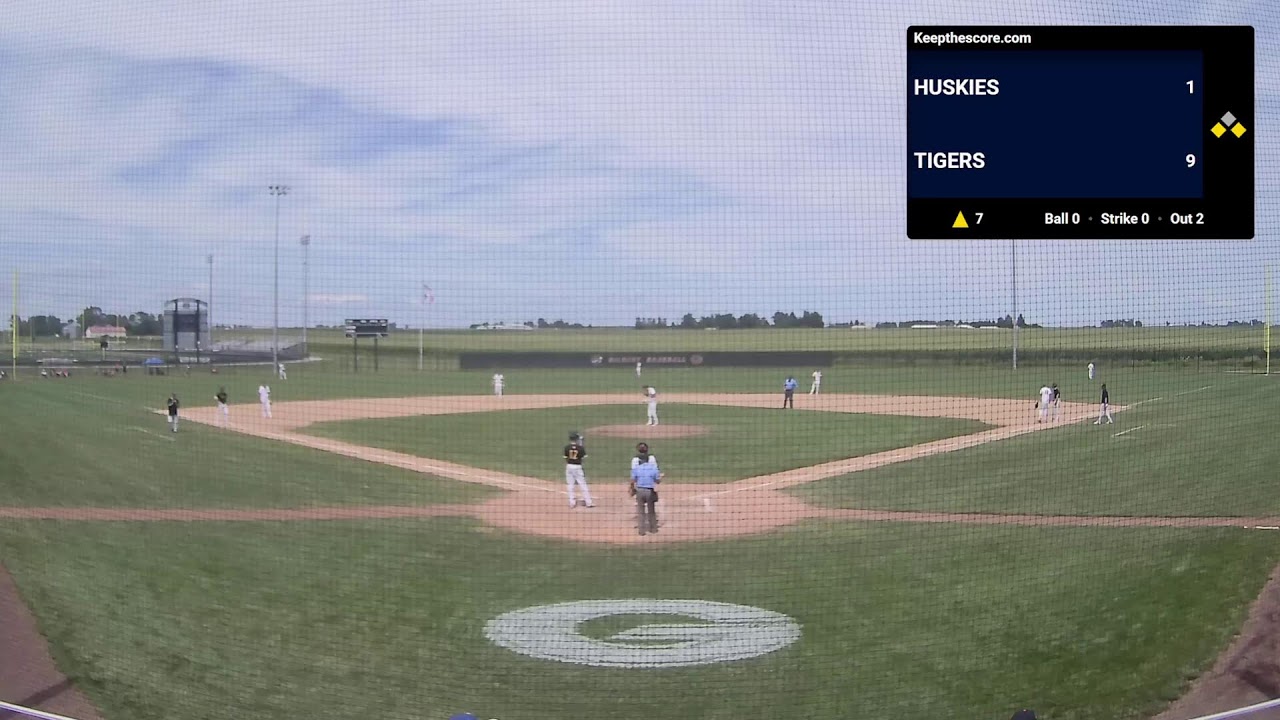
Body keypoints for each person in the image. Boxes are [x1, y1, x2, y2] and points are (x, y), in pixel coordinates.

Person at [631, 452, 662, 536]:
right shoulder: (653, 468)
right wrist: (661, 477)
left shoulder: (636, 469)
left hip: (640, 491)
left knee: (641, 511)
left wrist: (632, 490)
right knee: (651, 511)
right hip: (649, 491)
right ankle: (653, 529)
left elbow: (633, 480)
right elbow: (657, 481)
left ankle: (641, 531)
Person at [564, 431, 594, 509]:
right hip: (577, 467)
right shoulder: (581, 448)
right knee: (583, 484)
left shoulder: (566, 447)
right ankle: (588, 502)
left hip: (569, 466)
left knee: (570, 485)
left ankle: (572, 503)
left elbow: (566, 458)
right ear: (577, 439)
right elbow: (583, 458)